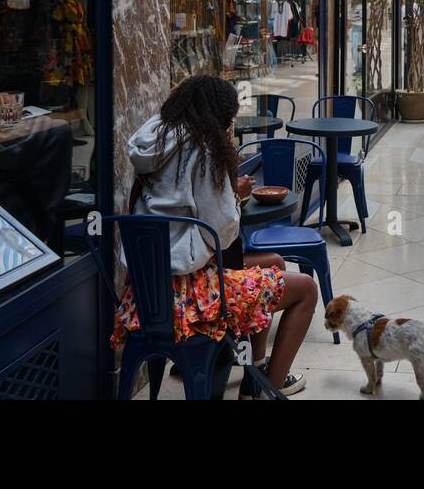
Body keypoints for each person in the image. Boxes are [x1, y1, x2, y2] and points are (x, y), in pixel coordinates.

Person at [114, 76, 316, 397]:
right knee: (305, 288)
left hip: (143, 295)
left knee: (271, 267)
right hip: (192, 298)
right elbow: (222, 232)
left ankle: (255, 375)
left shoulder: (153, 141)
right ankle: (266, 391)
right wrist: (233, 196)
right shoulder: (204, 150)